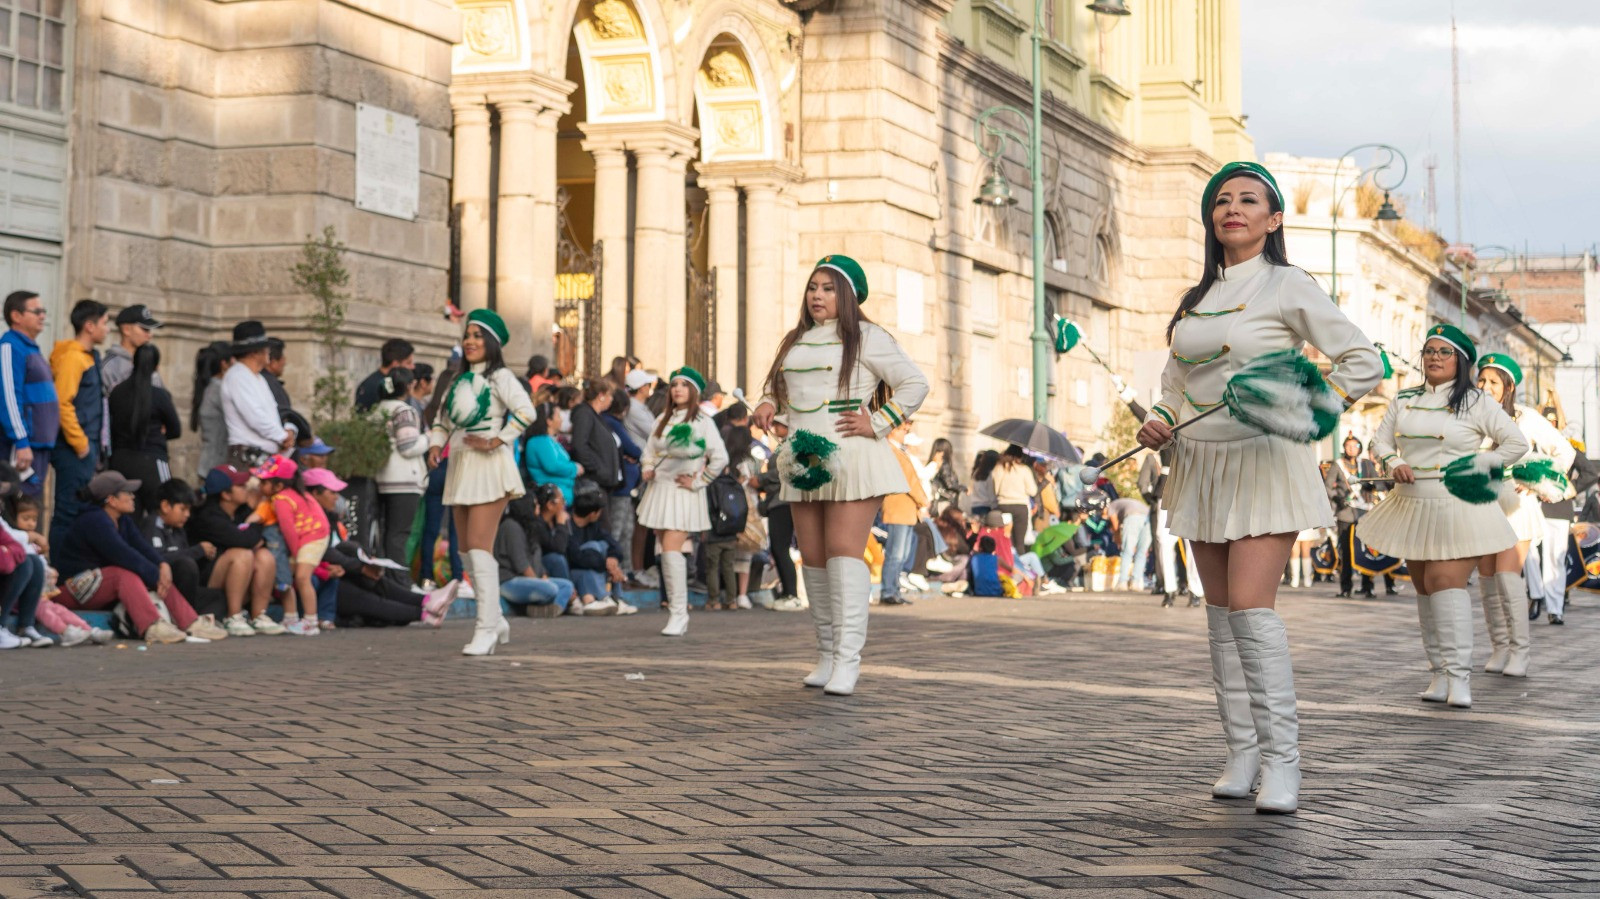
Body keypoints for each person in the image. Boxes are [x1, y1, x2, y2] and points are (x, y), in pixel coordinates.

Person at [1136, 161, 1383, 814]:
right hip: (1201, 464)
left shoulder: (1287, 284)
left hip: (1264, 461)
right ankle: (1241, 752)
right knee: (1220, 615)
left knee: (1251, 608)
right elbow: (1176, 381)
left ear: (1273, 219)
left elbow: (1364, 360)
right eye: (1222, 200)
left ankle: (1283, 762)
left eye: (1248, 200)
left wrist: (1306, 407)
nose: (1232, 208)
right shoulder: (1197, 297)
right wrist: (1160, 419)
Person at [750, 254, 930, 696]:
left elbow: (915, 383)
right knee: (813, 558)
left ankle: (848, 661)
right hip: (803, 457)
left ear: (847, 295)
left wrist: (879, 422)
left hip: (852, 454)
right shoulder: (795, 339)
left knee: (843, 554)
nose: (818, 295)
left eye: (828, 288)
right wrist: (769, 403)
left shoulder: (867, 337)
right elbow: (779, 386)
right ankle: (827, 655)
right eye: (813, 287)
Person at [1357, 326, 1527, 711]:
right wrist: (1394, 462)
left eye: (1444, 352)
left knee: (1444, 582)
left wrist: (1480, 464)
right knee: (1423, 586)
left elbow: (1517, 443)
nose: (1434, 357)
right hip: (1412, 502)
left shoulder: (1477, 401)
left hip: (1458, 504)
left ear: (1460, 360)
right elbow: (1380, 441)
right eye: (1429, 351)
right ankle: (1439, 674)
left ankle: (1460, 678)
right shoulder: (1404, 398)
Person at [426, 309, 537, 655]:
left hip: (490, 466)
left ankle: (486, 628)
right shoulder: (457, 380)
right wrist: (435, 444)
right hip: (460, 465)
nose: (470, 341)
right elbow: (442, 420)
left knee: (478, 546)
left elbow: (527, 411)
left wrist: (497, 439)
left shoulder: (501, 377)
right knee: (465, 551)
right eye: (467, 335)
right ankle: (496, 618)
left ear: (491, 341)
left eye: (477, 335)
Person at [1474, 353, 1569, 673]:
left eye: (1493, 381)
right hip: (1481, 504)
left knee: (1507, 576)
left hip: (1515, 505)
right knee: (1487, 579)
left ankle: (1520, 652)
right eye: (1481, 379)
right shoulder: (1470, 415)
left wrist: (1536, 482)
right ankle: (1499, 648)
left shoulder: (1526, 417)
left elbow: (1564, 451)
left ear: (1509, 387)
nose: (1485, 386)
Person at [54, 471, 227, 644]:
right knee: (123, 574)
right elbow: (124, 555)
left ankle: (190, 621)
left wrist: (162, 564)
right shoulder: (94, 520)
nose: (133, 497)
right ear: (111, 500)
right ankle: (152, 626)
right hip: (73, 589)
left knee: (148, 572)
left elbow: (142, 547)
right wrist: (157, 575)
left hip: (98, 587)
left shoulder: (123, 520)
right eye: (127, 493)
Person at [637, 366, 729, 636]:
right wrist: (647, 468)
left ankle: (679, 613)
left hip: (682, 490)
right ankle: (676, 612)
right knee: (664, 551)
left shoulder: (702, 421)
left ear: (694, 391)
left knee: (670, 549)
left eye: (684, 385)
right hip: (660, 488)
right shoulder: (662, 418)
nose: (677, 389)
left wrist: (698, 481)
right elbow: (649, 451)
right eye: (674, 384)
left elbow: (720, 457)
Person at [303, 467, 457, 627]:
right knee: (358, 593)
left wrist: (364, 563)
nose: (337, 497)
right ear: (315, 493)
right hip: (319, 575)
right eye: (332, 492)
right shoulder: (307, 519)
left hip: (332, 571)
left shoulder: (328, 517)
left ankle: (426, 602)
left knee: (368, 576)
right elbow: (322, 552)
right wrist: (359, 567)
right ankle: (423, 613)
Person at [187, 465, 284, 636]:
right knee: (242, 554)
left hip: (236, 580)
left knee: (264, 556)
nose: (247, 488)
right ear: (226, 494)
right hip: (207, 582)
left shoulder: (241, 511)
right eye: (240, 486)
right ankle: (233, 616)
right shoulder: (208, 516)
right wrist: (254, 526)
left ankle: (258, 616)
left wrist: (252, 529)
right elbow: (245, 540)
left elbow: (258, 538)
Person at [47, 299, 111, 548]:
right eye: (104, 323)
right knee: (68, 511)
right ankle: (59, 567)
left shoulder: (89, 357)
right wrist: (80, 443)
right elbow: (63, 402)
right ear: (89, 326)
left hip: (86, 446)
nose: (107, 329)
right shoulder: (73, 358)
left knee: (78, 510)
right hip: (74, 448)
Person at [252, 455, 329, 635]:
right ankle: (290, 618)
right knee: (290, 580)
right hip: (310, 537)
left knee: (302, 578)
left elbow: (288, 530)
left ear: (278, 485)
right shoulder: (294, 494)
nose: (260, 486)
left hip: (312, 537)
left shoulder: (281, 500)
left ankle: (310, 621)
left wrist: (294, 554)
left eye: (264, 482)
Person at [107, 344, 181, 515]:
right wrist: (160, 433)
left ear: (133, 362)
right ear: (157, 366)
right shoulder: (160, 395)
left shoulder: (117, 392)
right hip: (152, 461)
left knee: (127, 517)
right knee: (163, 512)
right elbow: (175, 430)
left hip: (121, 460)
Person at [0, 290, 59, 497]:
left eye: (43, 311)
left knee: (32, 505)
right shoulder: (10, 347)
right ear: (16, 316)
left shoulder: (30, 348)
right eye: (36, 311)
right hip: (23, 448)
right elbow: (8, 398)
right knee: (19, 504)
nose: (42, 316)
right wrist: (21, 441)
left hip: (39, 446)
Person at [140, 479, 223, 618]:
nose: (187, 514)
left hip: (182, 593)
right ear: (166, 506)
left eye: (189, 510)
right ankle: (184, 618)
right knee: (186, 565)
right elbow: (156, 558)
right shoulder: (151, 525)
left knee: (219, 596)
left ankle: (199, 619)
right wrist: (198, 550)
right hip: (161, 589)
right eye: (183, 509)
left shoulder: (178, 529)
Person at [374, 367, 427, 565]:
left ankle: (389, 575)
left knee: (387, 532)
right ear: (408, 386)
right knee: (400, 534)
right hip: (403, 481)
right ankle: (397, 577)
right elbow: (408, 447)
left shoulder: (378, 409)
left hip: (382, 478)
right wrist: (428, 438)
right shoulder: (403, 411)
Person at [221, 321, 292, 469]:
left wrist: (287, 431)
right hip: (248, 456)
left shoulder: (257, 377)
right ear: (254, 352)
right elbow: (255, 416)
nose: (268, 352)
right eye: (266, 348)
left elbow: (273, 411)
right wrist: (282, 436)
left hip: (263, 455)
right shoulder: (238, 376)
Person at [495, 496, 575, 616]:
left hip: (532, 581)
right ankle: (527, 610)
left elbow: (537, 560)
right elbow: (521, 565)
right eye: (535, 504)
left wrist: (543, 577)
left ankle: (551, 610)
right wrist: (542, 583)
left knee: (567, 586)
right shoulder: (511, 526)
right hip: (509, 581)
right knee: (551, 589)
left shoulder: (530, 526)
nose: (538, 507)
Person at [879, 423, 928, 606]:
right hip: (898, 508)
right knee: (896, 554)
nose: (905, 434)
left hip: (906, 509)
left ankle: (894, 590)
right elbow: (910, 480)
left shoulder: (898, 450)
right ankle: (888, 591)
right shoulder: (890, 450)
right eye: (903, 430)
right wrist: (923, 500)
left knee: (902, 554)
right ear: (893, 430)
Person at [757, 415, 799, 606]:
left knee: (781, 548)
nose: (775, 428)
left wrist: (762, 479)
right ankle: (787, 592)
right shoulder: (784, 444)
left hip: (784, 501)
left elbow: (786, 470)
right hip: (777, 500)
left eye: (779, 424)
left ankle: (791, 594)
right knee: (778, 548)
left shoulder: (792, 444)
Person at [564, 491, 629, 612]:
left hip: (595, 567)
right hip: (574, 572)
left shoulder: (593, 526)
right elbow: (576, 557)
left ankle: (617, 598)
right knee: (593, 547)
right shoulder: (568, 527)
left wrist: (612, 560)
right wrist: (606, 564)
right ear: (592, 514)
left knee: (605, 548)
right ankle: (602, 597)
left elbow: (614, 544)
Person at [600, 387, 643, 568]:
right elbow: (632, 448)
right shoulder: (612, 422)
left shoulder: (607, 421)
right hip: (621, 486)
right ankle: (616, 569)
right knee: (618, 529)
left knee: (626, 529)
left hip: (625, 484)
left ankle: (625, 569)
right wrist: (635, 454)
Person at [568, 378, 622, 507]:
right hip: (593, 481)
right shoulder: (584, 413)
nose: (611, 399)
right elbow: (579, 445)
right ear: (601, 395)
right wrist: (597, 469)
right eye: (610, 395)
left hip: (602, 482)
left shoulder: (595, 415)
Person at [191, 341, 232, 481]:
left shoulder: (210, 387)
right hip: (217, 465)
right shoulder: (219, 389)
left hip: (210, 463)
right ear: (224, 364)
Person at [101, 304, 163, 393]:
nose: (150, 335)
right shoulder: (110, 366)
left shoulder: (148, 361)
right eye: (145, 329)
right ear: (126, 329)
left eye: (149, 330)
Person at [991, 445, 1037, 559]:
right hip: (1020, 507)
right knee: (1019, 543)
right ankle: (1020, 564)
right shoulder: (1024, 470)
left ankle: (1007, 561)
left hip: (1003, 506)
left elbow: (995, 490)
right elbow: (1033, 491)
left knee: (1006, 540)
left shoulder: (999, 468)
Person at [355, 338, 415, 411]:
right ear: (395, 364)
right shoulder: (381, 384)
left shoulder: (388, 381)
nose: (413, 367)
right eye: (408, 363)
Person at [1106, 495, 1151, 592]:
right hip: (1148, 518)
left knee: (1127, 552)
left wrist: (1118, 539)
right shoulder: (1124, 502)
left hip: (1132, 517)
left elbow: (1115, 526)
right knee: (1142, 553)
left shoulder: (1111, 506)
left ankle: (1122, 582)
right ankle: (1136, 582)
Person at [622, 369, 659, 446]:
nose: (649, 387)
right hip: (640, 452)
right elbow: (654, 432)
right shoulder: (634, 409)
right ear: (642, 388)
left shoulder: (638, 406)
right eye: (649, 385)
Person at [928, 438, 962, 516]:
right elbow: (949, 484)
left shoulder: (933, 464)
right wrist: (963, 488)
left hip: (936, 501)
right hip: (945, 502)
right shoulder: (944, 465)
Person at [969, 450, 1000, 519]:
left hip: (975, 506)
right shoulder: (990, 475)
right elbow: (991, 494)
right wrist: (995, 507)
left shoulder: (976, 472)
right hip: (986, 507)